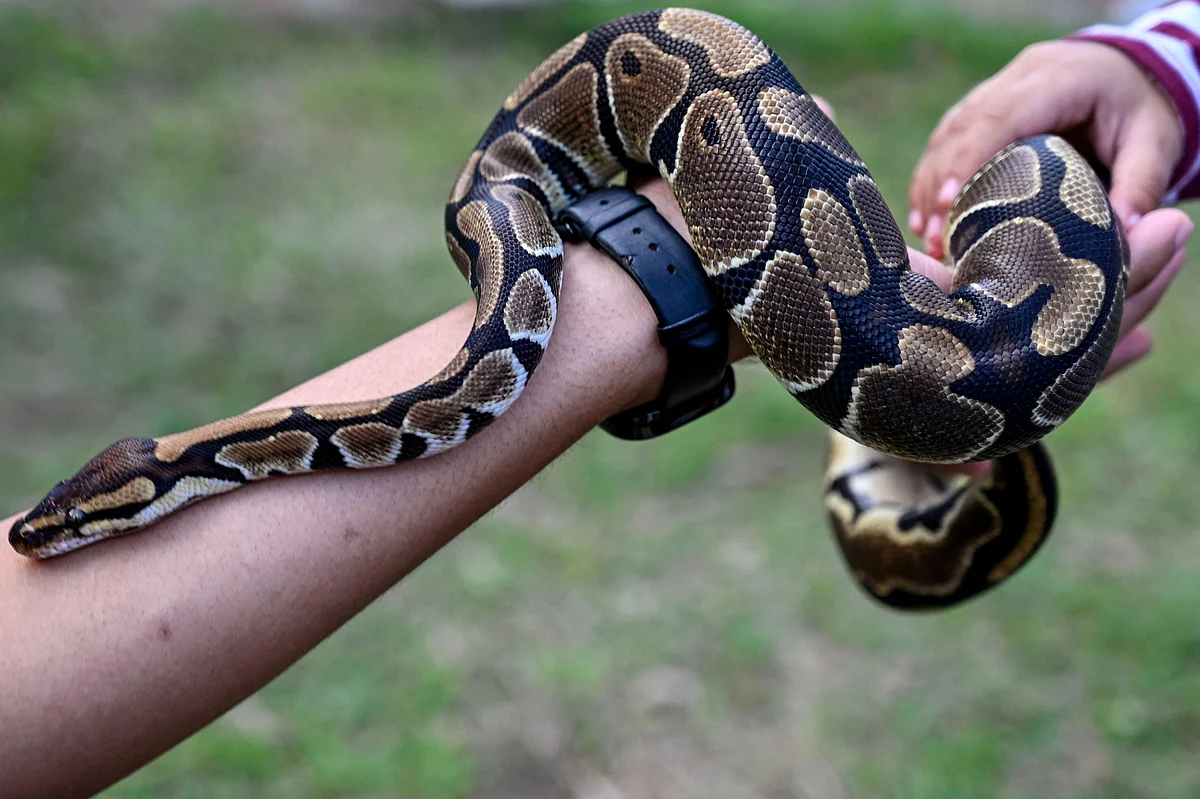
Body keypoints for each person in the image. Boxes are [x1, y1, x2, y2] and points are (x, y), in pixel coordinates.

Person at [0, 6, 1194, 795]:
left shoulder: (499, 213)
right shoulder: (495, 221)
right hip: (926, 272)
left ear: (143, 484)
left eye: (72, 517)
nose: (48, 529)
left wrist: (1160, 60)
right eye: (70, 520)